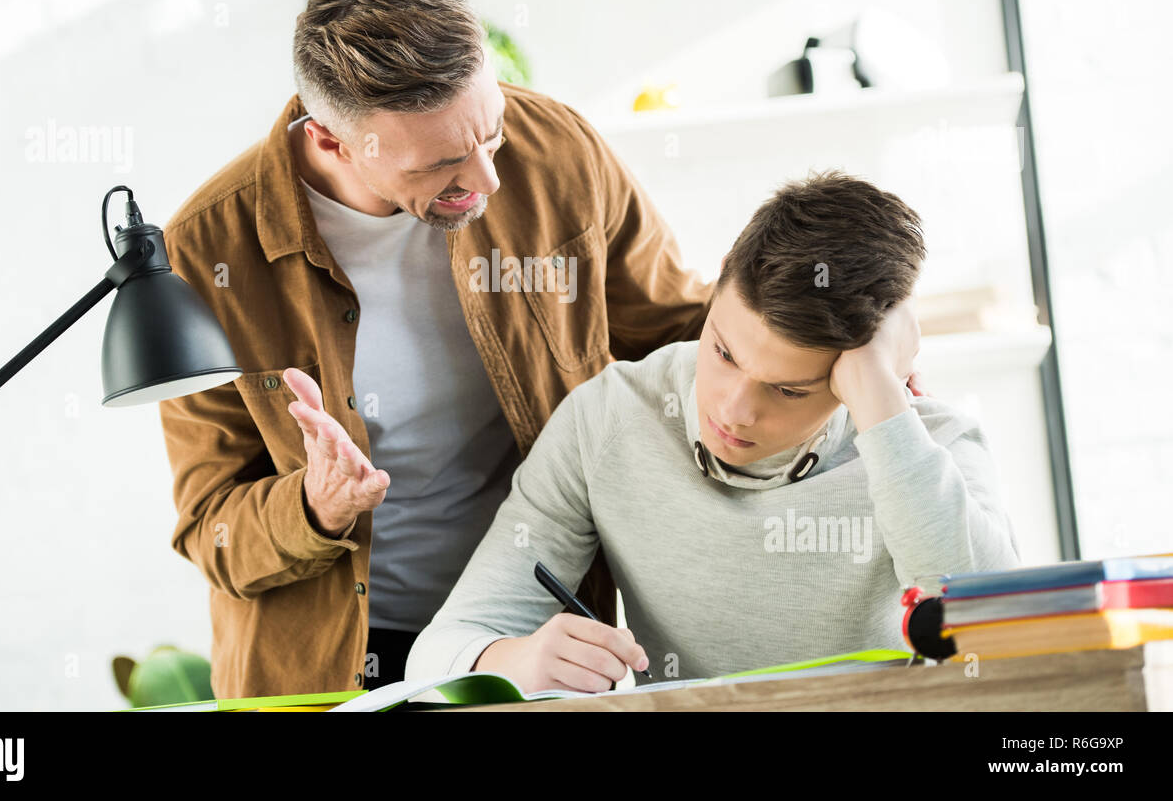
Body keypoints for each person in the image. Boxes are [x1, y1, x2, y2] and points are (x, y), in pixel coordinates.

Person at [157, 0, 712, 697]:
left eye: (492, 132)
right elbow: (210, 526)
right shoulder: (206, 253)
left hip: (534, 620)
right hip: (338, 662)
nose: (488, 180)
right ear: (330, 141)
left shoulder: (559, 150)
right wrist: (313, 506)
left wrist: (836, 352)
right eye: (445, 162)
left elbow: (681, 331)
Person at [404, 172, 1021, 691]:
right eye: (724, 352)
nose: (734, 410)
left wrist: (883, 405)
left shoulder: (929, 445)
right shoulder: (608, 418)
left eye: (789, 389)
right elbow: (436, 654)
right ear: (722, 276)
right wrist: (510, 661)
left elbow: (996, 634)